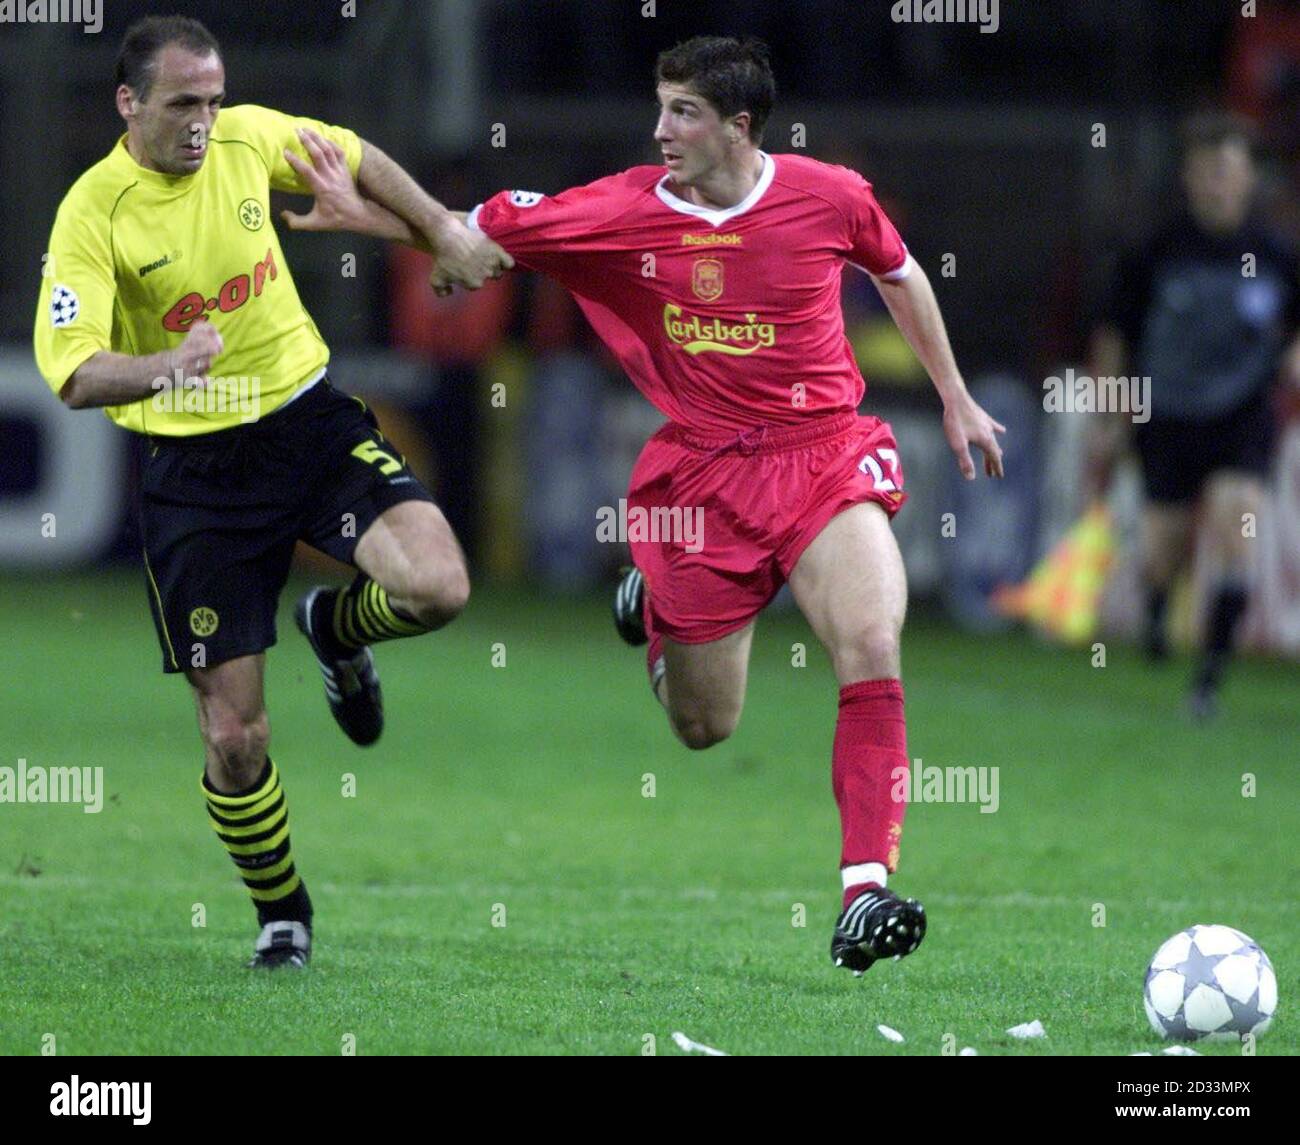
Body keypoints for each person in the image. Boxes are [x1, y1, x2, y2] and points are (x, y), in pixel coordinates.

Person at [286, 36, 1004, 974]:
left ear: (739, 128)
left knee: (871, 641)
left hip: (825, 454)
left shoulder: (829, 194)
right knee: (705, 728)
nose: (659, 129)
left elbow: (899, 271)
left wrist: (952, 394)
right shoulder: (623, 210)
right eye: (660, 107)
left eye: (683, 113)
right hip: (703, 484)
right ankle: (658, 612)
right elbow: (477, 236)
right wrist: (369, 216)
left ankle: (864, 889)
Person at [33, 15, 511, 969]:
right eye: (182, 104)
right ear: (128, 104)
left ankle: (335, 628)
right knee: (236, 736)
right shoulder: (94, 213)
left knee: (440, 587)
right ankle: (282, 909)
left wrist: (442, 230)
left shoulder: (249, 136)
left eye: (213, 99)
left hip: (306, 422)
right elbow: (75, 373)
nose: (205, 121)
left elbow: (358, 153)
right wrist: (166, 364)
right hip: (195, 476)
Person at [1088, 112, 1300, 719]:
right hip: (1167, 416)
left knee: (1238, 529)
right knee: (1161, 549)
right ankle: (1157, 609)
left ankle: (1208, 680)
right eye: (1208, 169)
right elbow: (1114, 335)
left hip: (1242, 417)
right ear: (1189, 176)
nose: (1218, 181)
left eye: (1230, 170)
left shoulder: (1276, 254)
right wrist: (1110, 413)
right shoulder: (1156, 250)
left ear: (1249, 178)